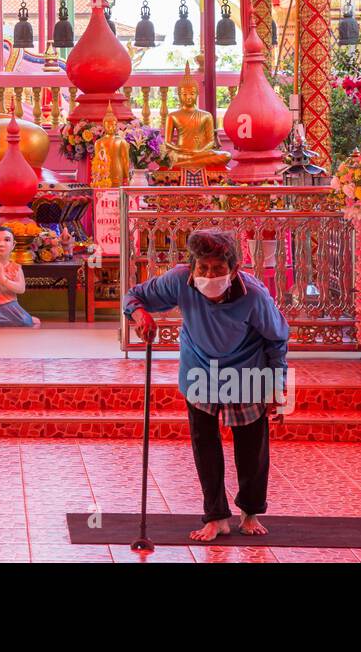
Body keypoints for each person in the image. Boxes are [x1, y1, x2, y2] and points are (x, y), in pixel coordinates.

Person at [123, 229, 289, 542]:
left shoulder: (253, 295)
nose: (209, 275)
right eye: (203, 268)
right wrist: (140, 313)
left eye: (218, 269)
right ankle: (216, 517)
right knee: (205, 443)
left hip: (246, 371)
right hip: (199, 369)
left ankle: (250, 512)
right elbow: (133, 295)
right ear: (193, 266)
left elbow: (277, 339)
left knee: (251, 447)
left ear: (234, 270)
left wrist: (277, 388)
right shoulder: (178, 280)